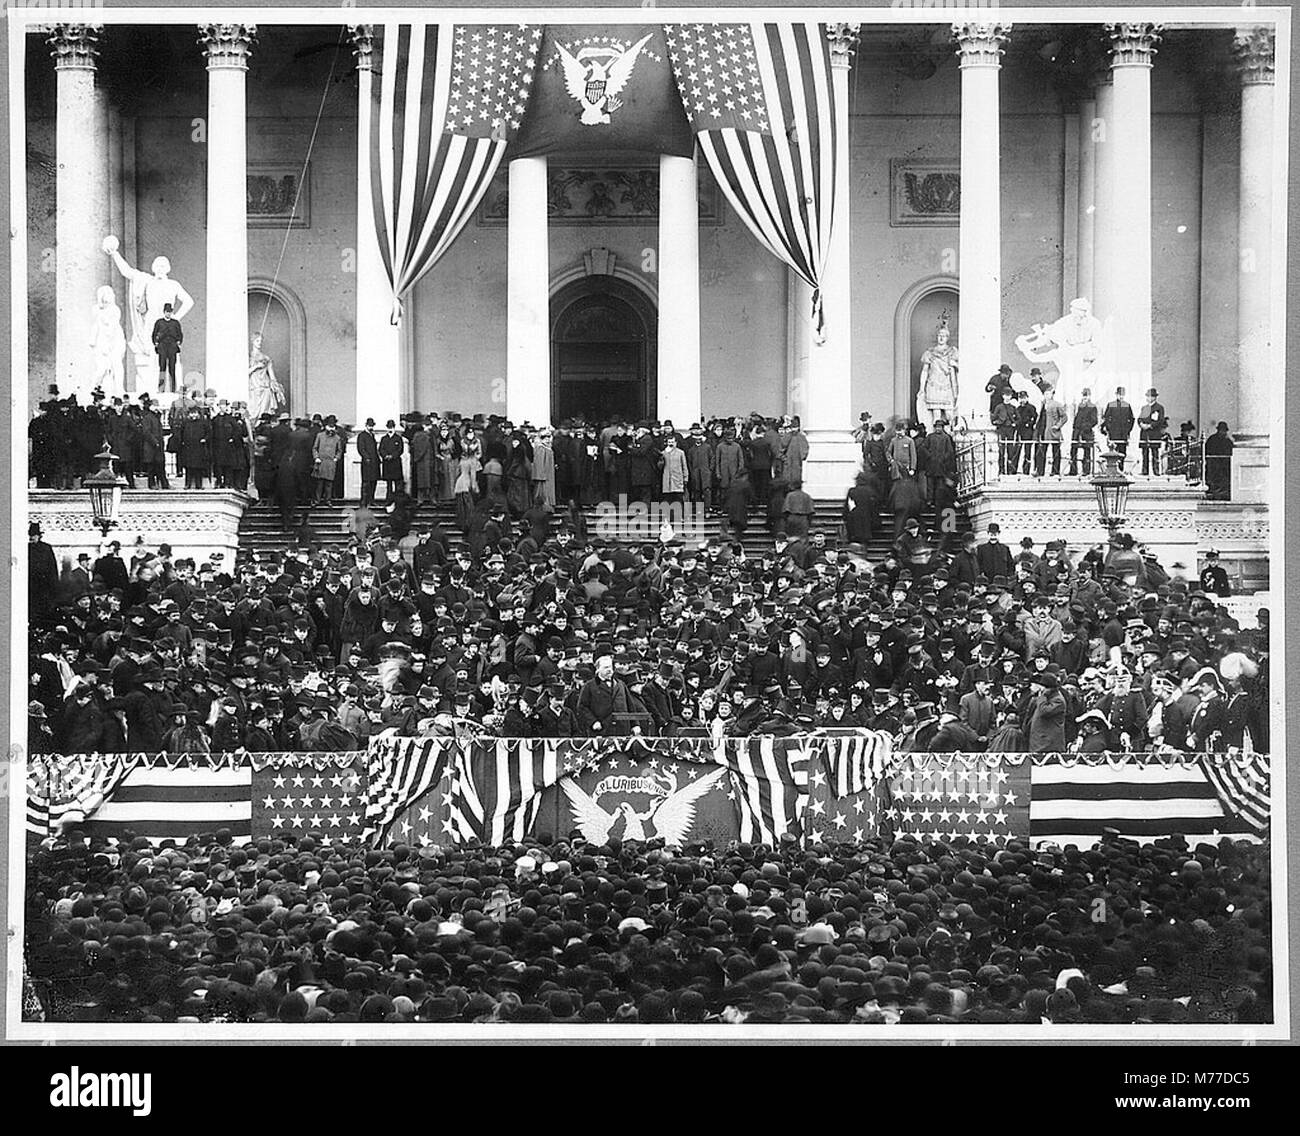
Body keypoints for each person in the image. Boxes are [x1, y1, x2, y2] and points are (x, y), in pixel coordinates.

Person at [150, 303, 184, 394]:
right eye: (167, 312)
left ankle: (173, 389)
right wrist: (156, 343)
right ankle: (161, 389)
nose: (168, 313)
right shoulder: (159, 322)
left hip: (172, 347)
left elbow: (180, 334)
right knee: (162, 368)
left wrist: (178, 342)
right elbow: (154, 334)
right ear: (164, 312)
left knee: (172, 368)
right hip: (162, 348)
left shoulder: (175, 323)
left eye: (170, 312)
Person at [1101, 387, 1135, 465]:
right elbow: (1106, 418)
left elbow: (1132, 419)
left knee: (1122, 452)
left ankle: (1121, 469)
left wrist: (1128, 429)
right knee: (1113, 453)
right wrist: (1109, 428)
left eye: (1122, 395)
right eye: (1119, 394)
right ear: (1116, 394)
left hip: (1123, 433)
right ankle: (1112, 470)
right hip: (1113, 433)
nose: (1121, 396)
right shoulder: (1111, 405)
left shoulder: (1127, 405)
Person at [1137, 388, 1167, 475]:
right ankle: (1144, 470)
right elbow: (1139, 419)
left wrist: (1150, 426)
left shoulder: (1159, 408)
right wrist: (1141, 424)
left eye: (1150, 396)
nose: (1148, 398)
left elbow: (1160, 420)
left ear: (1154, 397)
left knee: (1155, 453)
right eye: (1148, 396)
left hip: (1154, 433)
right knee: (1144, 453)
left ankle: (1156, 470)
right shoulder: (1145, 408)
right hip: (1145, 434)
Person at [312, 420, 343, 505]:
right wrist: (316, 457)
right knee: (319, 483)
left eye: (332, 427)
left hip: (330, 463)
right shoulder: (320, 436)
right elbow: (315, 448)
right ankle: (316, 500)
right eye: (329, 426)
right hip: (320, 462)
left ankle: (328, 500)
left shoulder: (337, 438)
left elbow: (339, 450)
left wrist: (336, 458)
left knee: (329, 483)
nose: (331, 429)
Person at [1068, 387, 1097, 476]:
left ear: (1089, 396)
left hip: (1086, 432)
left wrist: (1085, 427)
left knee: (1087, 452)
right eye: (1084, 395)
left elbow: (1094, 421)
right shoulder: (1080, 406)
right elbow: (1077, 418)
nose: (1085, 397)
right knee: (1073, 451)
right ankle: (1073, 470)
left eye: (1086, 395)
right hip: (1077, 432)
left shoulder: (1092, 407)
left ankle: (1086, 470)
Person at [1204, 421, 1234, 500]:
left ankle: (1223, 492)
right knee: (1213, 478)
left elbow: (1231, 452)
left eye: (1224, 430)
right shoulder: (1212, 439)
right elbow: (1207, 450)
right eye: (1221, 430)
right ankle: (1213, 491)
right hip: (1213, 464)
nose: (1222, 432)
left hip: (1224, 464)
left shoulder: (1228, 441)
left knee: (1224, 479)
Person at [356, 418, 380, 507]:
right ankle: (363, 502)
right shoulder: (362, 435)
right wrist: (366, 457)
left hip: (374, 463)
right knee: (366, 483)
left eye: (372, 425)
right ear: (366, 425)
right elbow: (361, 449)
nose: (371, 427)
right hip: (367, 463)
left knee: (374, 482)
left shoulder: (372, 435)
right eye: (369, 425)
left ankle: (371, 500)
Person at [379, 420, 405, 500]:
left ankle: (397, 500)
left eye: (392, 427)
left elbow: (400, 450)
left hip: (395, 463)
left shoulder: (398, 438)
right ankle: (389, 500)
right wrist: (385, 456)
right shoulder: (384, 438)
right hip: (387, 464)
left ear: (394, 428)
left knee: (397, 484)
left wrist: (392, 456)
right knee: (388, 484)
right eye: (389, 427)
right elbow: (381, 449)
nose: (390, 429)